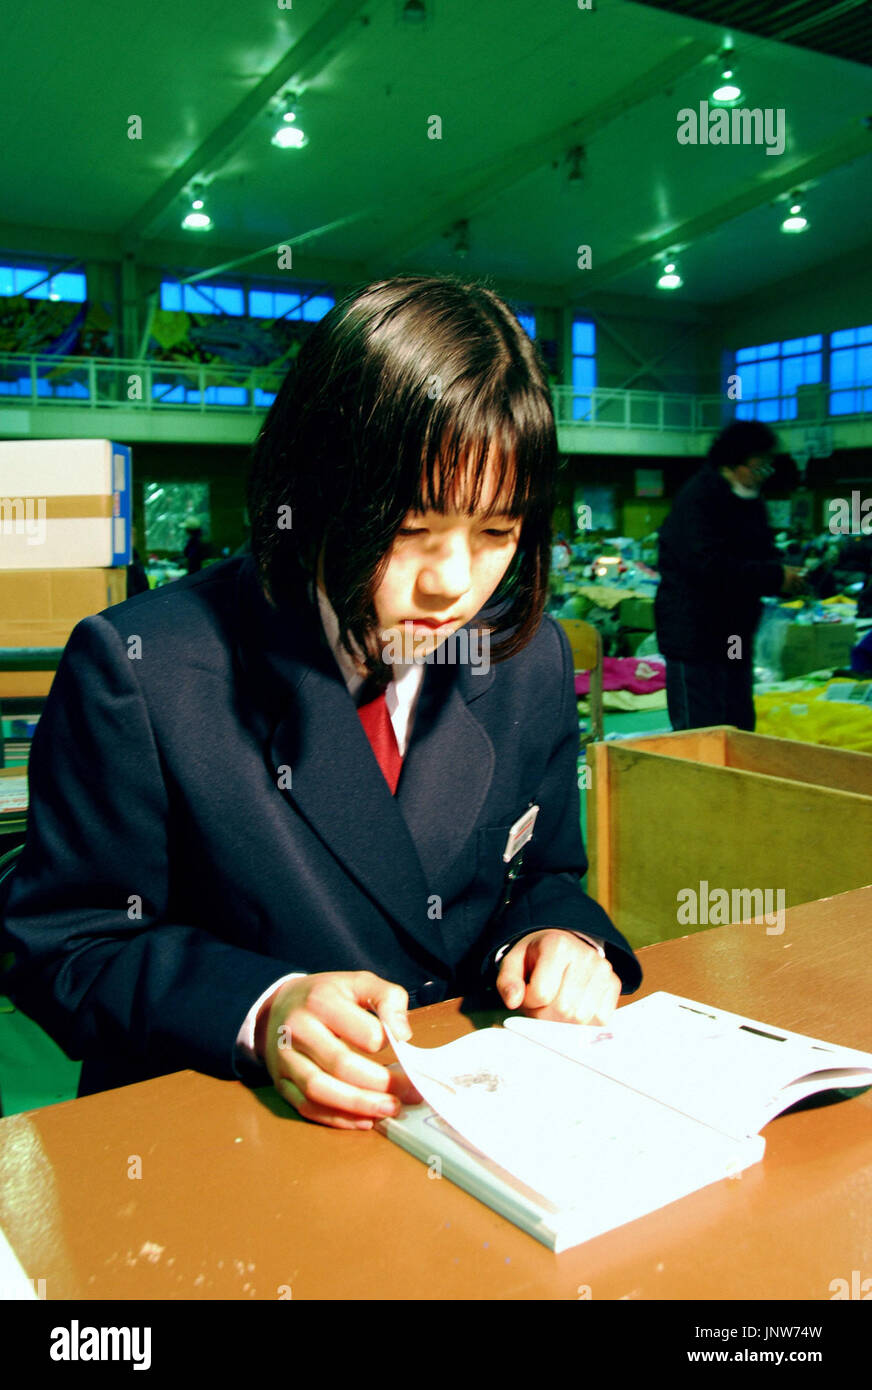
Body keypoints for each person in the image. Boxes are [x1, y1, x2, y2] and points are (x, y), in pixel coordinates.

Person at [2, 275, 642, 1130]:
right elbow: (67, 943)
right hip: (224, 1137)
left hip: (469, 1124)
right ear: (312, 489)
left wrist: (560, 939)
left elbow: (543, 874)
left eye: (497, 533)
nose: (453, 584)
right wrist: (263, 1006)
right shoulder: (143, 670)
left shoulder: (528, 657)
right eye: (411, 529)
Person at [654, 420, 805, 732]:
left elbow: (761, 554)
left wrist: (784, 577)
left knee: (736, 720)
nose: (762, 475)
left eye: (767, 467)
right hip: (695, 635)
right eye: (757, 467)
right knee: (699, 729)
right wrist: (772, 576)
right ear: (732, 463)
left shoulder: (750, 502)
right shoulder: (698, 499)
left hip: (734, 634)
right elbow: (707, 566)